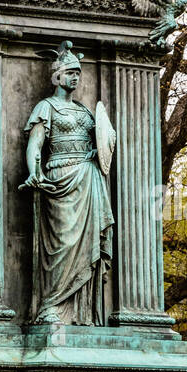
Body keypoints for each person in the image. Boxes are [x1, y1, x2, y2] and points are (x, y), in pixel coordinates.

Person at [22, 42, 116, 326]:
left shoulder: (85, 111)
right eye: (70, 72)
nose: (76, 78)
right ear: (57, 76)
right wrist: (33, 172)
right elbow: (35, 145)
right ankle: (51, 305)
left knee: (87, 247)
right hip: (58, 180)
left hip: (88, 181)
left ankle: (80, 311)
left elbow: (104, 141)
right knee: (62, 245)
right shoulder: (46, 107)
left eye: (78, 73)